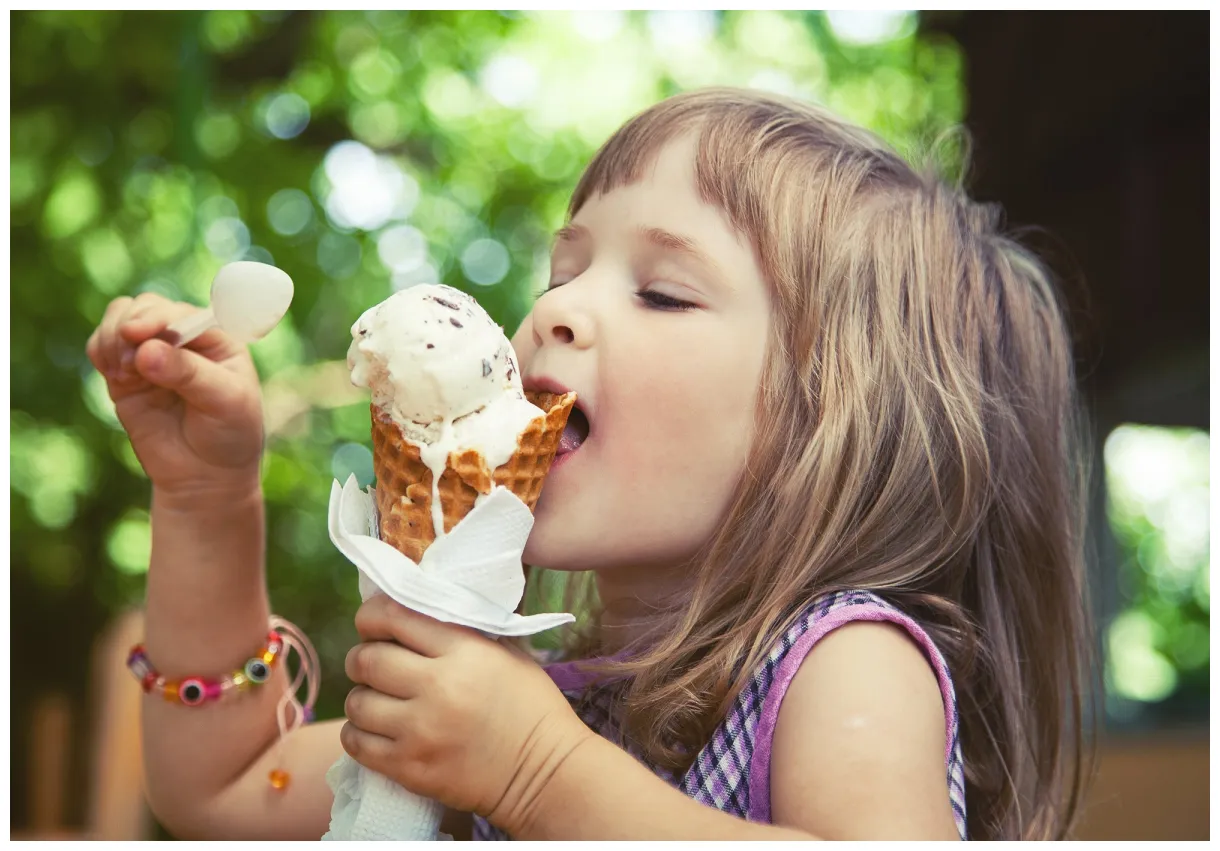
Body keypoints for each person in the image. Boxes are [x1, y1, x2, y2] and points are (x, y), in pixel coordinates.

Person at [86, 87, 1094, 841]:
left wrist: (535, 771)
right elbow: (222, 786)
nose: (549, 310)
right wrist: (207, 494)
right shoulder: (524, 700)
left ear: (836, 423)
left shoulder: (838, 662)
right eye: (564, 270)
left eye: (660, 292)